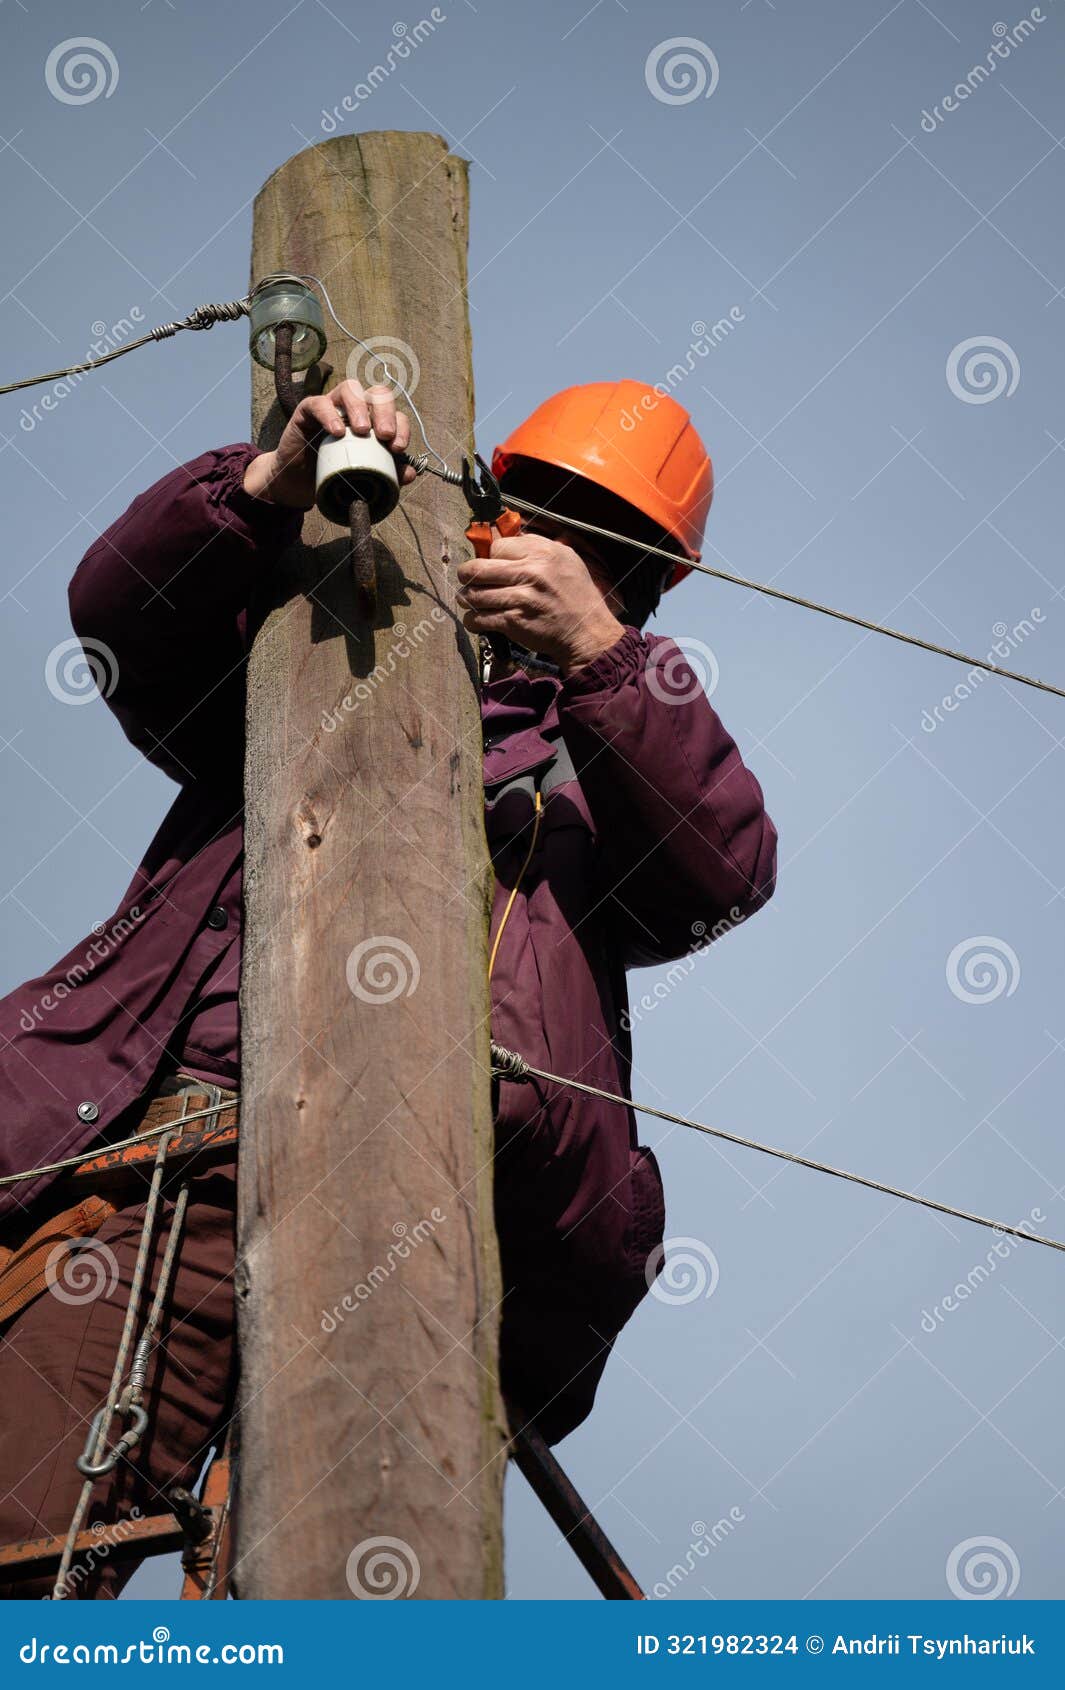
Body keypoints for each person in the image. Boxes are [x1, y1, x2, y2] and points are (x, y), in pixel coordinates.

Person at [0, 377, 776, 1597]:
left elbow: (723, 870)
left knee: (360, 1597)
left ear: (647, 586)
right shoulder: (307, 650)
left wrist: (602, 660)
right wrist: (267, 489)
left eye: (610, 548)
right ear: (482, 509)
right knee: (23, 1559)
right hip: (163, 1176)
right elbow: (120, 621)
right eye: (542, 509)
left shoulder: (609, 751)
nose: (562, 552)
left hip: (438, 1221)